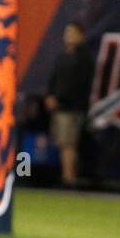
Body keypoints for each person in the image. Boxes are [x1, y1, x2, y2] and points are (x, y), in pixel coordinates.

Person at [46, 21, 94, 187]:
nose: (69, 36)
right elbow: (53, 78)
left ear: (81, 36)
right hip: (61, 106)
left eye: (72, 33)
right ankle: (67, 175)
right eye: (67, 32)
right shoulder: (62, 56)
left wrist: (59, 98)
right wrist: (50, 96)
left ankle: (69, 178)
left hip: (72, 107)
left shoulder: (83, 58)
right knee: (63, 142)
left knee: (69, 143)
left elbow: (78, 84)